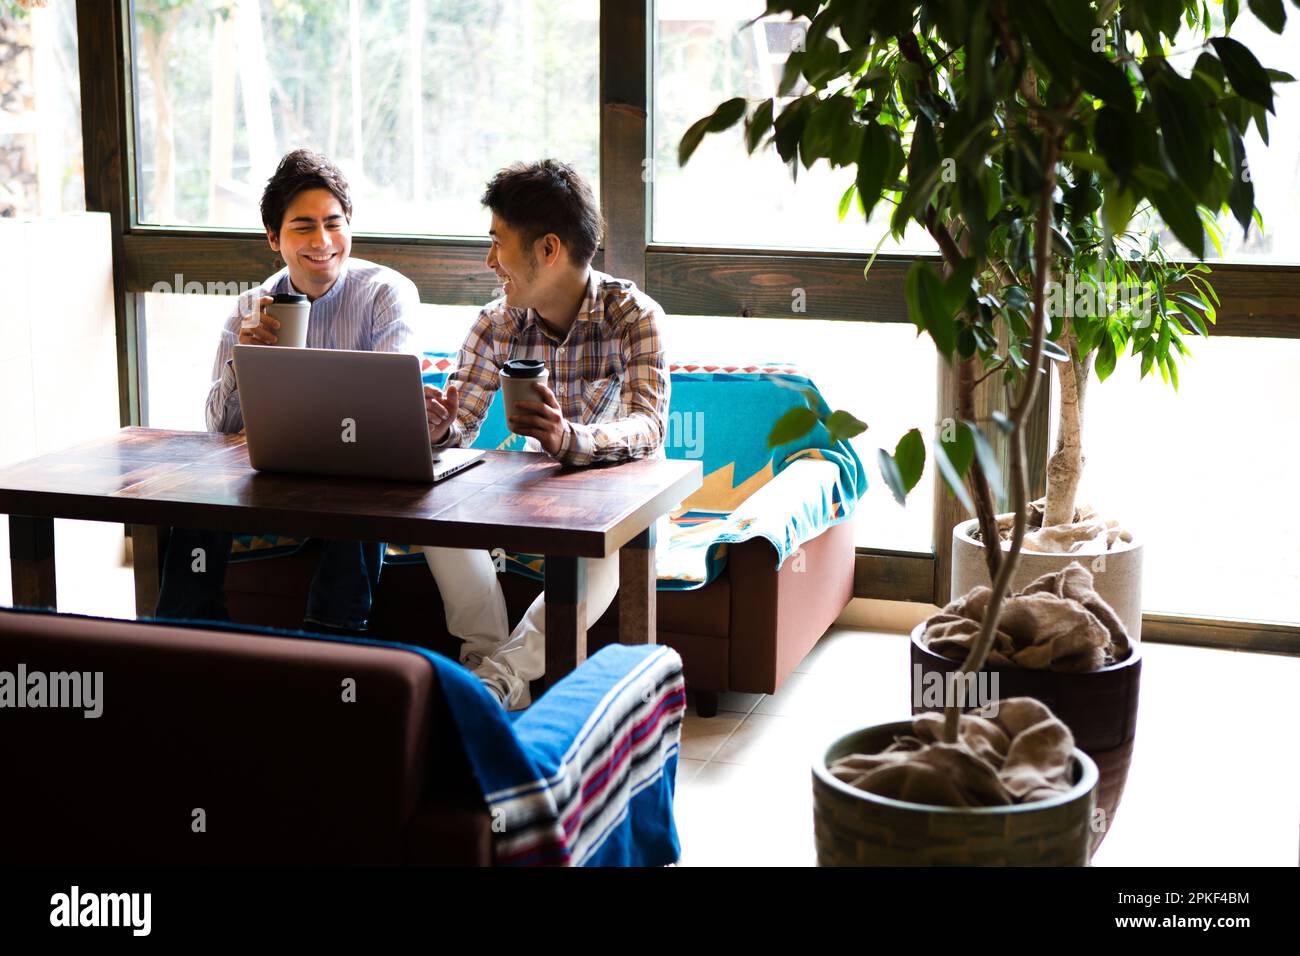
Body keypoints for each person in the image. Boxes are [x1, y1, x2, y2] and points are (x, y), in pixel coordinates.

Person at [423, 159, 671, 710]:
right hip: (531, 503)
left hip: (619, 505)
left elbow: (648, 427)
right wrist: (441, 429)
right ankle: (485, 662)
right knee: (430, 503)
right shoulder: (497, 323)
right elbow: (459, 420)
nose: (490, 262)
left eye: (497, 243)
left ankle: (494, 681)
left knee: (604, 538)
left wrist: (569, 437)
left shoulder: (632, 317)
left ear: (548, 249)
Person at [154, 148, 420, 635]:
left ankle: (329, 643)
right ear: (273, 238)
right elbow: (219, 430)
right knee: (195, 500)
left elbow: (393, 414)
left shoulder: (386, 292)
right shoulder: (251, 308)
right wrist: (243, 359)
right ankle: (191, 643)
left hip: (358, 474)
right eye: (303, 227)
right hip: (274, 475)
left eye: (333, 223)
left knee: (358, 507)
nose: (323, 241)